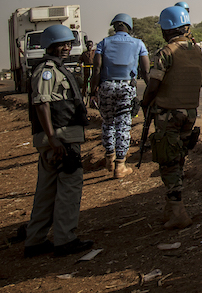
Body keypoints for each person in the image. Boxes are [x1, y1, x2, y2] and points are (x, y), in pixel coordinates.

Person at [23, 24, 94, 258]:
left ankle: (35, 240)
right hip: (60, 138)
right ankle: (65, 239)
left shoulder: (54, 68)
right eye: (61, 44)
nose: (66, 48)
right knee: (69, 189)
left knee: (46, 189)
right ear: (50, 46)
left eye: (68, 44)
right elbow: (41, 103)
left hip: (57, 138)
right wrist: (53, 138)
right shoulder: (47, 70)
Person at [140, 5, 202, 228]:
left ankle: (178, 211)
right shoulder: (198, 52)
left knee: (168, 161)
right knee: (179, 158)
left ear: (166, 30)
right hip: (190, 112)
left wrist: (145, 102)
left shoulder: (165, 53)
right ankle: (171, 208)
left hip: (168, 114)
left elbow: (154, 84)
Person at [91, 13, 149, 179]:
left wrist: (92, 91)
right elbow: (145, 71)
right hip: (126, 88)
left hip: (106, 86)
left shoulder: (104, 43)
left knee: (108, 122)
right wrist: (151, 89)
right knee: (123, 125)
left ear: (114, 26)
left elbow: (96, 69)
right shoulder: (138, 43)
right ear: (129, 27)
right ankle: (120, 165)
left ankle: (109, 158)